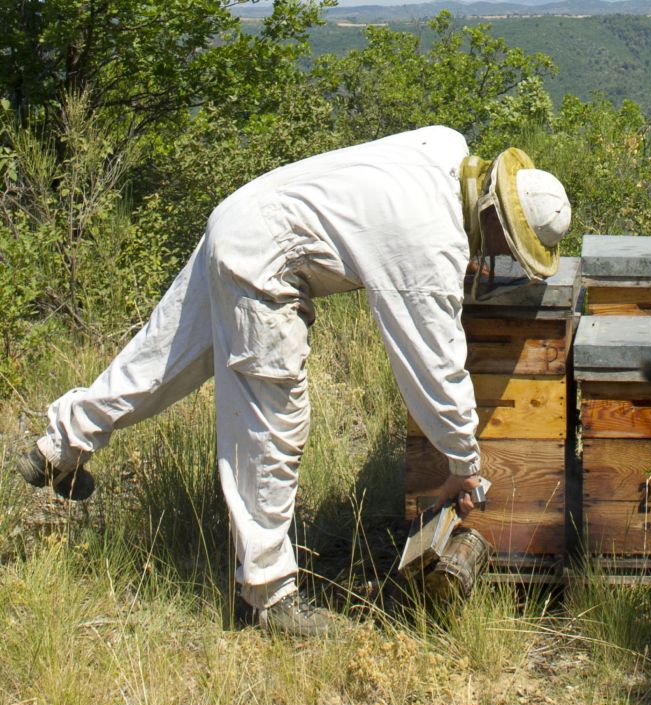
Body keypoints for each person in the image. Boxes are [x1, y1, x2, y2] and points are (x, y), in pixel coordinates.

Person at [16, 126, 571, 637]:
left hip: (241, 216)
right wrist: (462, 464)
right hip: (266, 263)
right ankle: (268, 597)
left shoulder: (445, 147)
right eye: (507, 247)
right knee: (273, 424)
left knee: (161, 359)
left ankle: (59, 445)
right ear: (494, 213)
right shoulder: (428, 243)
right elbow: (433, 365)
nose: (502, 259)